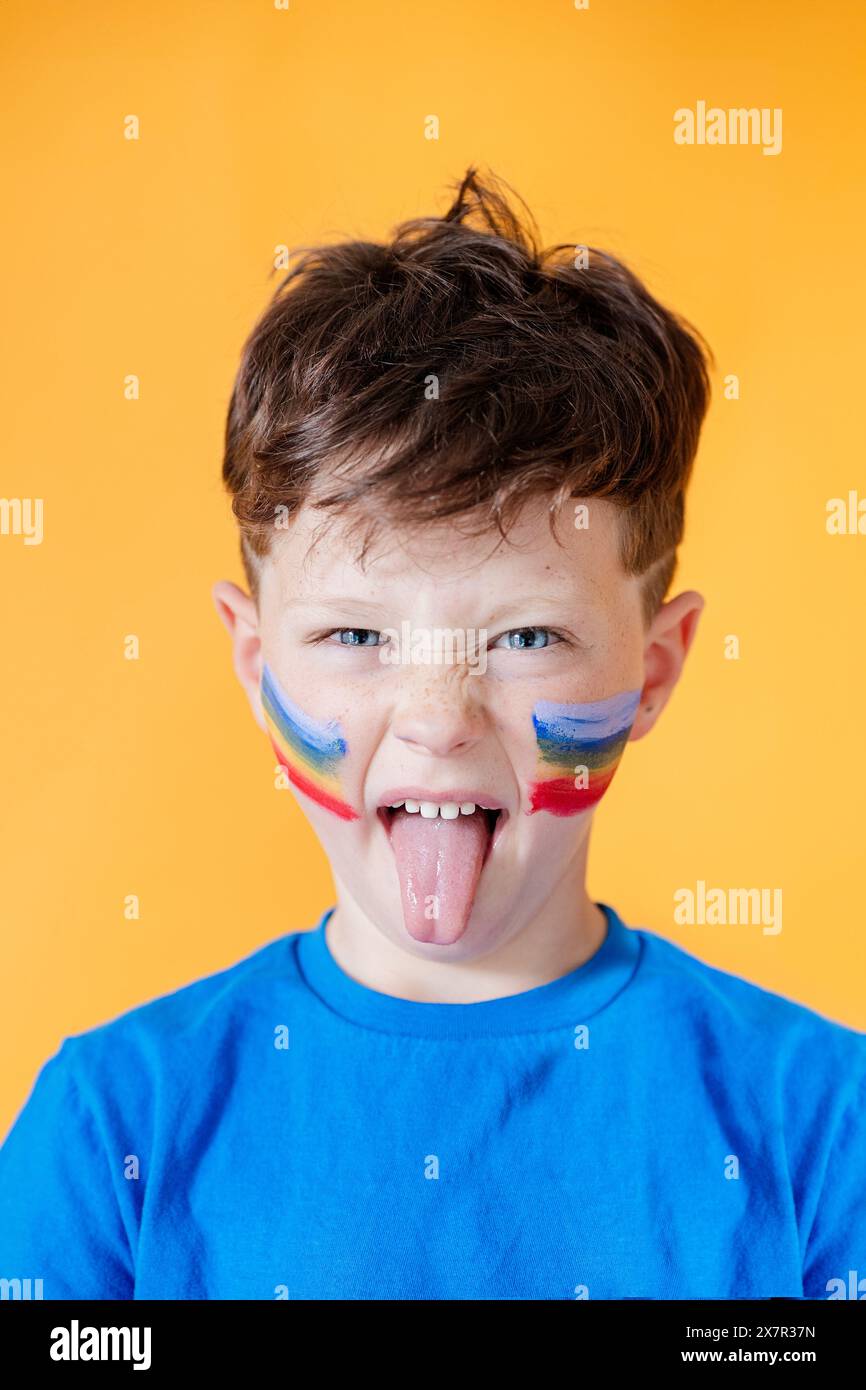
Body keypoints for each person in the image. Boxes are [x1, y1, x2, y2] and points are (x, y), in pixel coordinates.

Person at [1, 168, 863, 1300]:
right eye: (357, 633)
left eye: (524, 638)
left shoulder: (819, 1126)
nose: (436, 721)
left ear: (652, 671)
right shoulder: (110, 1128)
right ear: (256, 663)